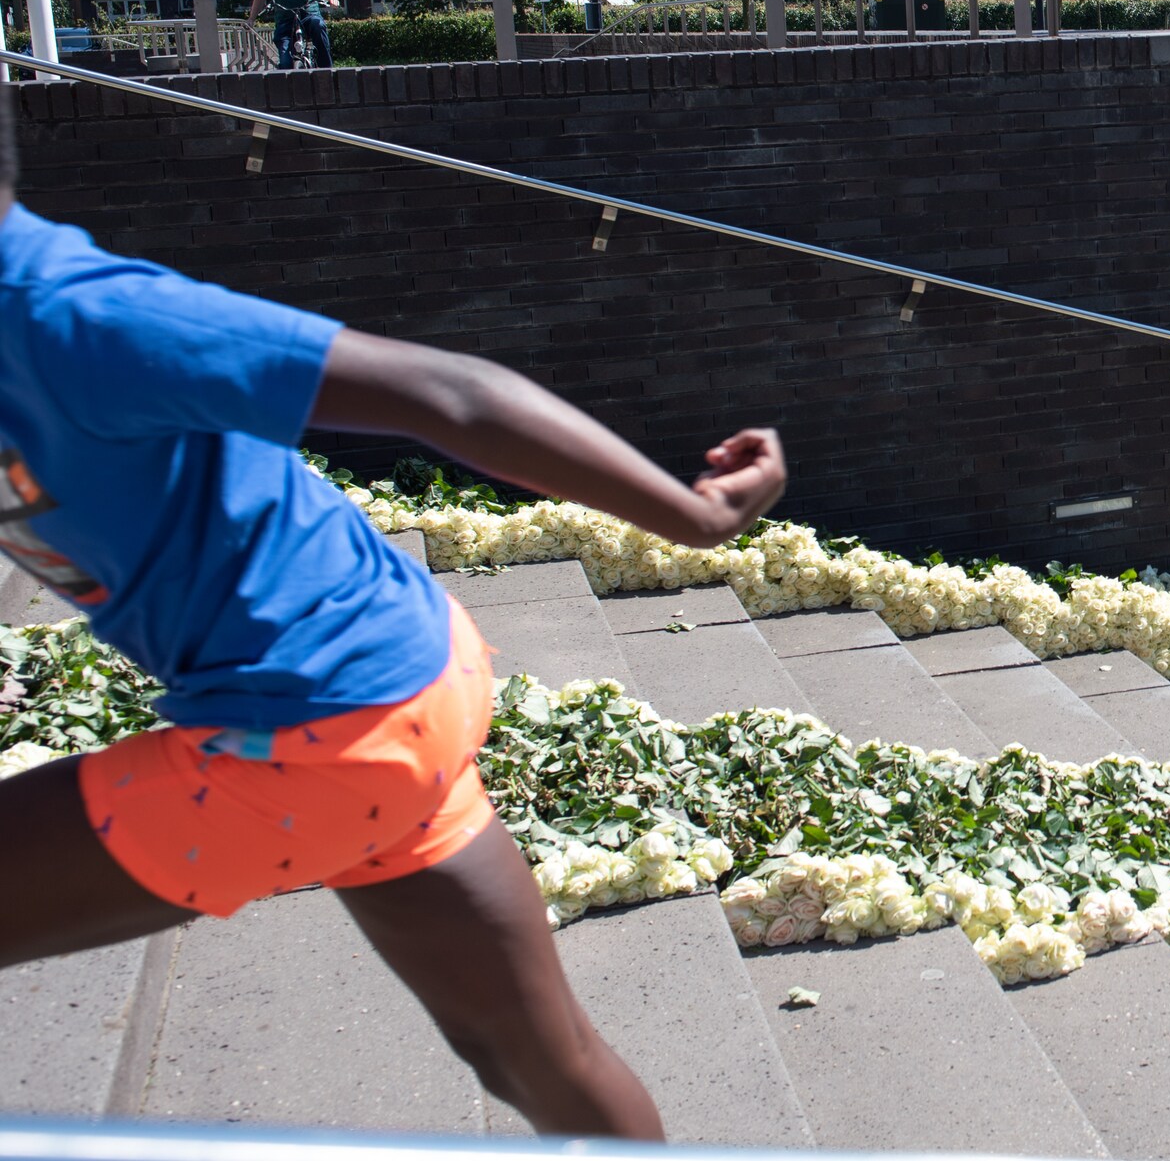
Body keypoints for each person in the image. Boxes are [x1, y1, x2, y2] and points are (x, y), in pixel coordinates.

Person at [0, 97, 787, 1137]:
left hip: (318, 732)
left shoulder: (66, 315)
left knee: (533, 1054)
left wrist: (693, 515)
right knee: (532, 1058)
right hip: (396, 682)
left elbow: (448, 392)